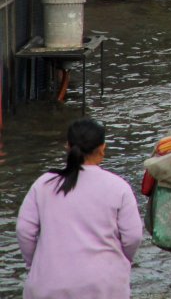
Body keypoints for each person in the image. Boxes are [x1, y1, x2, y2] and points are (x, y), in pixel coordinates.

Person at [17, 118, 141, 299]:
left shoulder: (43, 184)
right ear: (102, 148)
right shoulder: (118, 187)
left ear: (67, 146)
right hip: (105, 287)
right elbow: (133, 237)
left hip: (47, 286)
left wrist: (35, 264)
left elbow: (24, 231)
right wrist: (121, 262)